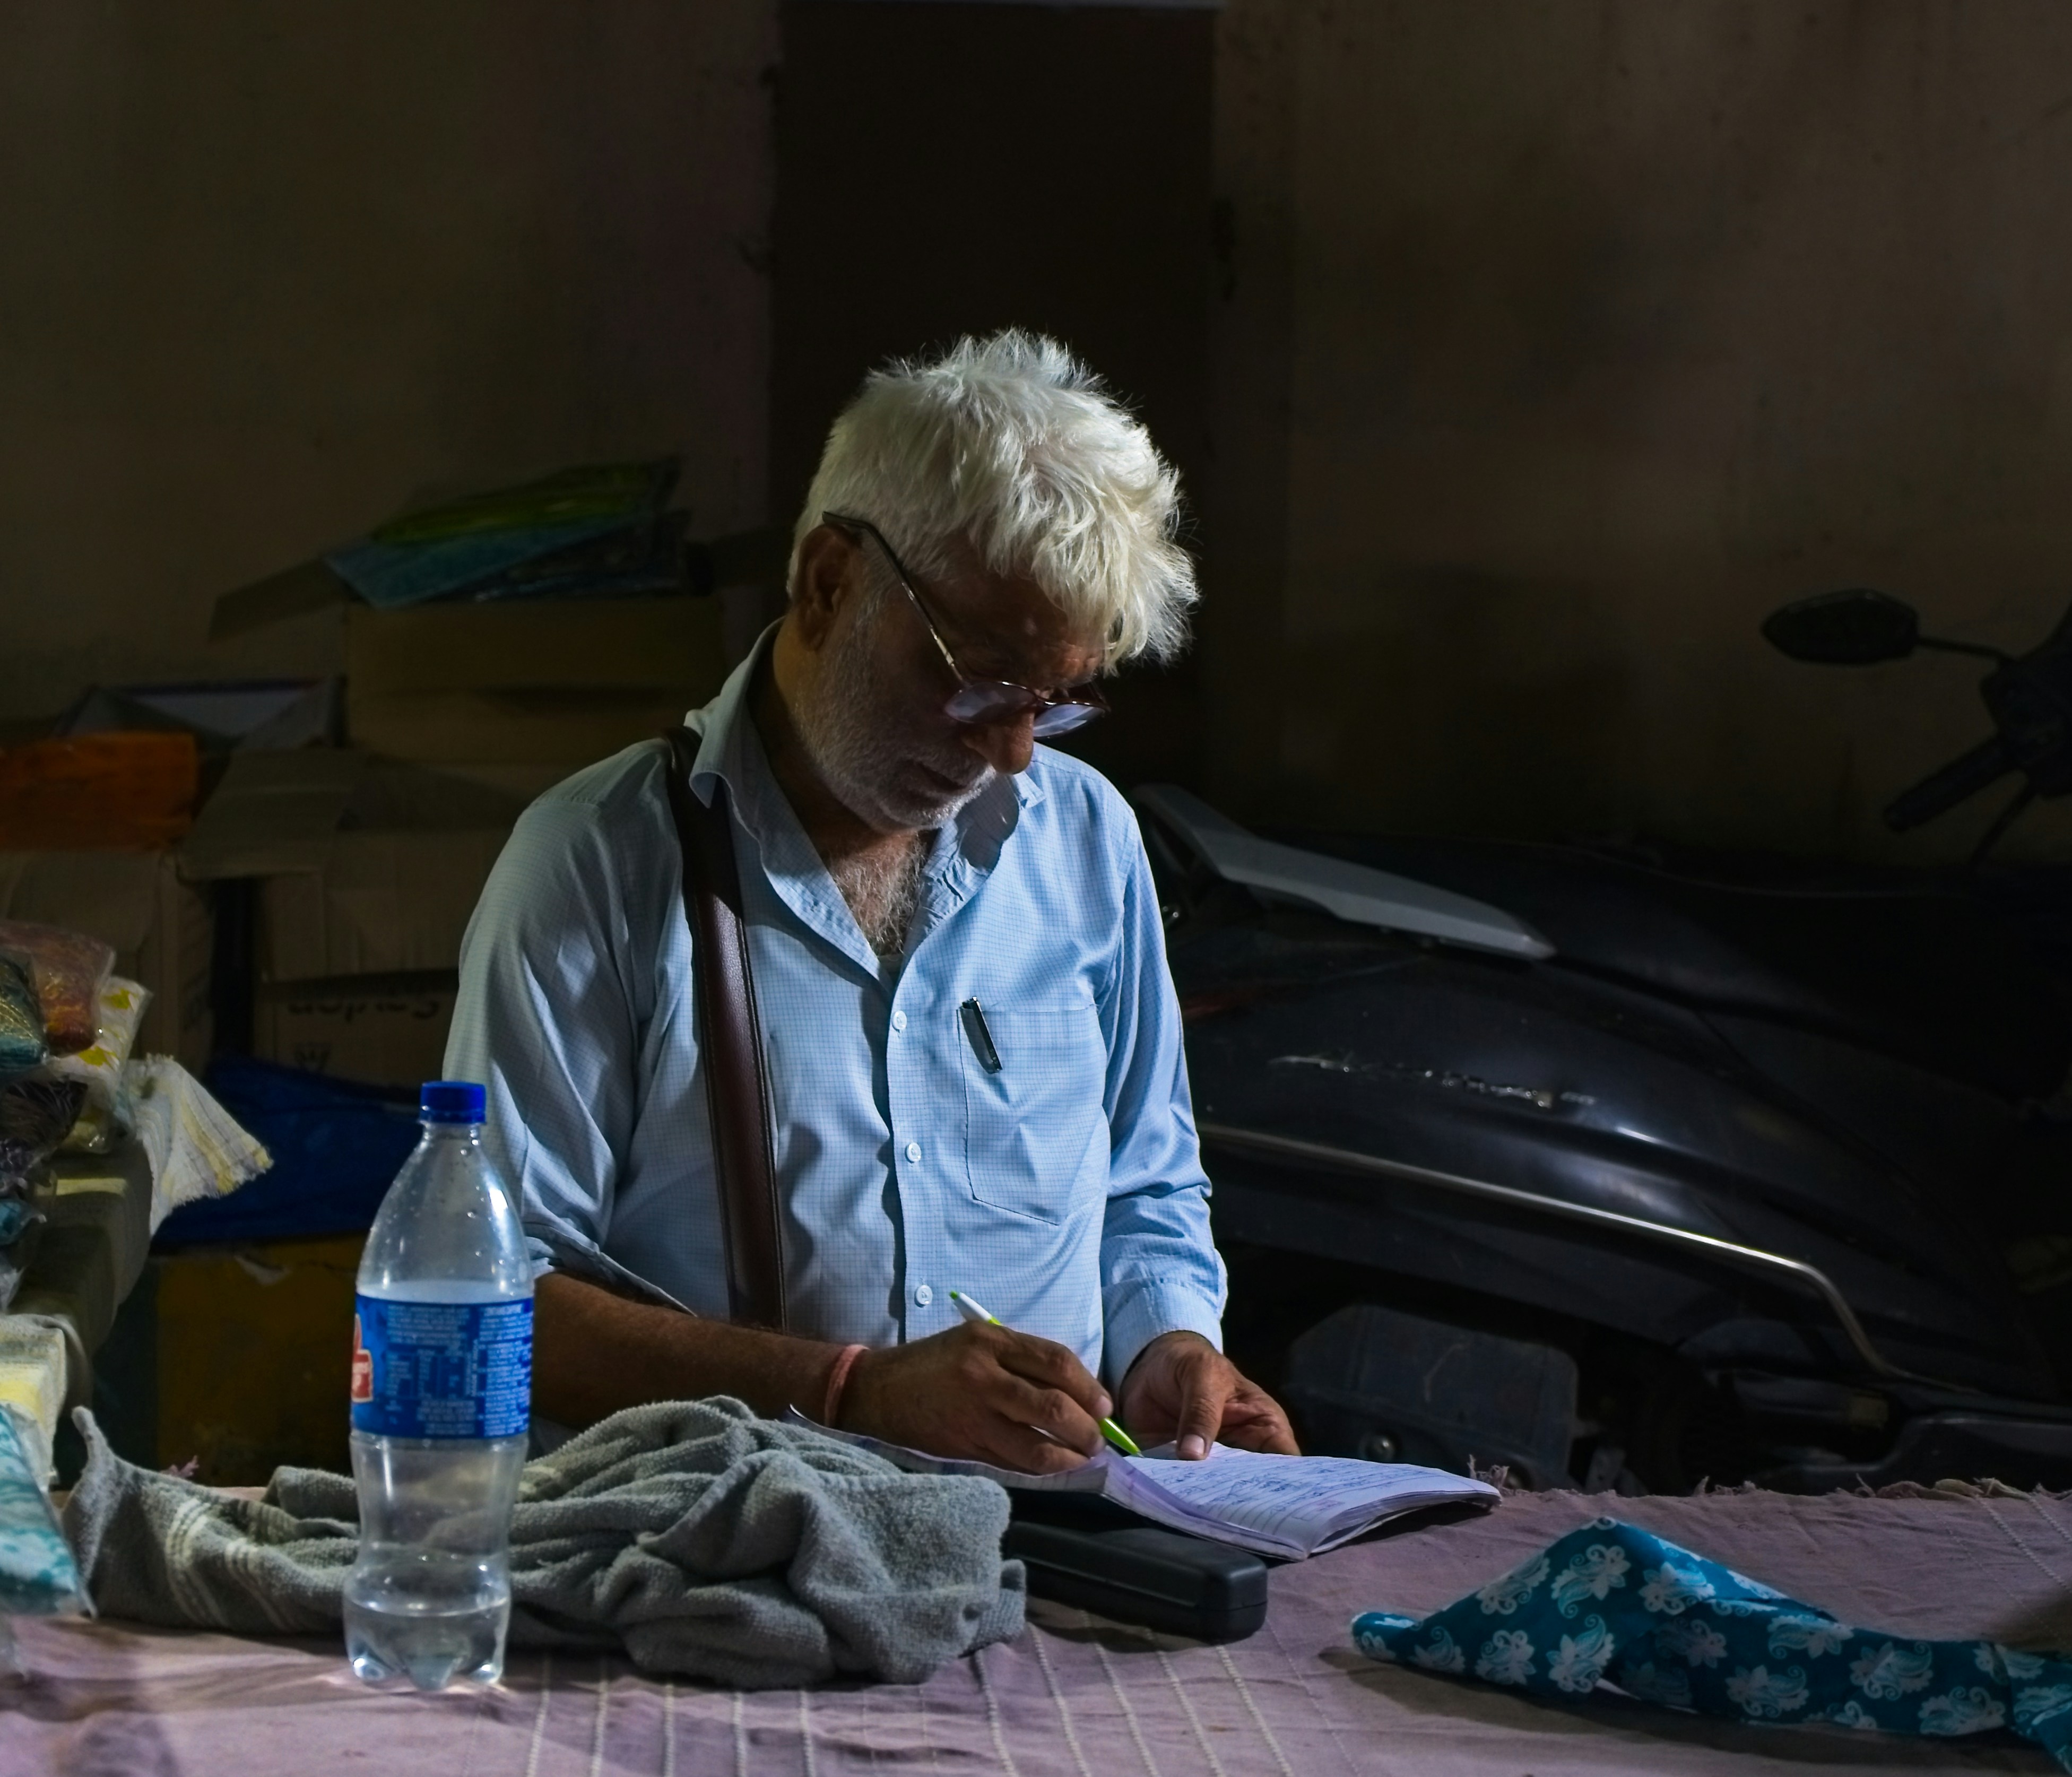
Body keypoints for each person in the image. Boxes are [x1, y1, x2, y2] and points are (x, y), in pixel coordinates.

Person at [446, 330, 1296, 1472]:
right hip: (734, 1559)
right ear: (831, 582)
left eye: (1055, 701)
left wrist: (1169, 1345)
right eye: (978, 681)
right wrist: (846, 1392)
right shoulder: (594, 866)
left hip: (1060, 1554)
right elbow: (491, 1300)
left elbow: (1147, 1182)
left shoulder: (1088, 840)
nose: (1012, 752)